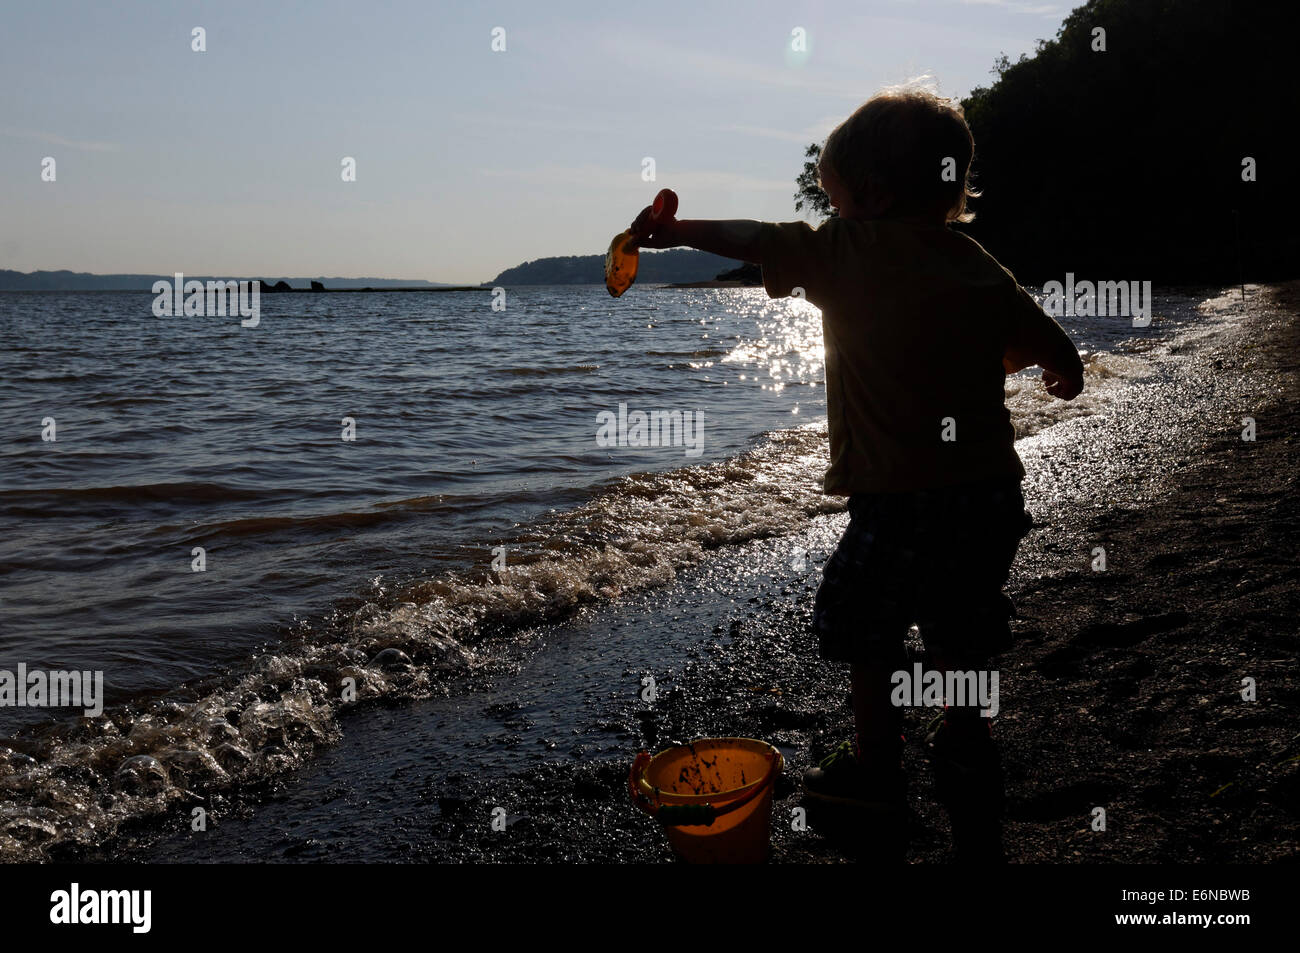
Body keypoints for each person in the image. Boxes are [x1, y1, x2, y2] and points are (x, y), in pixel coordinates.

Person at [629, 83, 1085, 861]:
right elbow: (1051, 345)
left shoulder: (845, 250)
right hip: (988, 497)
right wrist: (1060, 373)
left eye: (831, 195)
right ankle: (964, 741)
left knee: (864, 626)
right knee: (960, 623)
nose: (826, 209)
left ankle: (876, 762)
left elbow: (756, 237)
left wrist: (675, 232)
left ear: (868, 196)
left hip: (899, 500)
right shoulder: (980, 265)